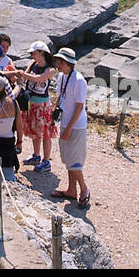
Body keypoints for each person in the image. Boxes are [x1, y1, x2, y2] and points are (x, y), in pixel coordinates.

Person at [50, 48, 90, 208]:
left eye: (60, 61)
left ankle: (84, 189)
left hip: (76, 125)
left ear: (68, 63)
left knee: (74, 160)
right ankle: (72, 190)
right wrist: (54, 117)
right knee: (68, 158)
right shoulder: (62, 76)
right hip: (66, 122)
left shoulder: (79, 80)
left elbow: (80, 107)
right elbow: (61, 97)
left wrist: (68, 129)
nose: (57, 64)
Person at [14, 41, 58, 171]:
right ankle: (36, 155)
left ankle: (46, 160)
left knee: (45, 134)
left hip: (42, 105)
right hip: (31, 102)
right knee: (35, 132)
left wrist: (22, 74)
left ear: (42, 52)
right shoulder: (32, 64)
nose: (32, 55)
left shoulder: (50, 70)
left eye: (34, 53)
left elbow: (38, 78)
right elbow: (26, 78)